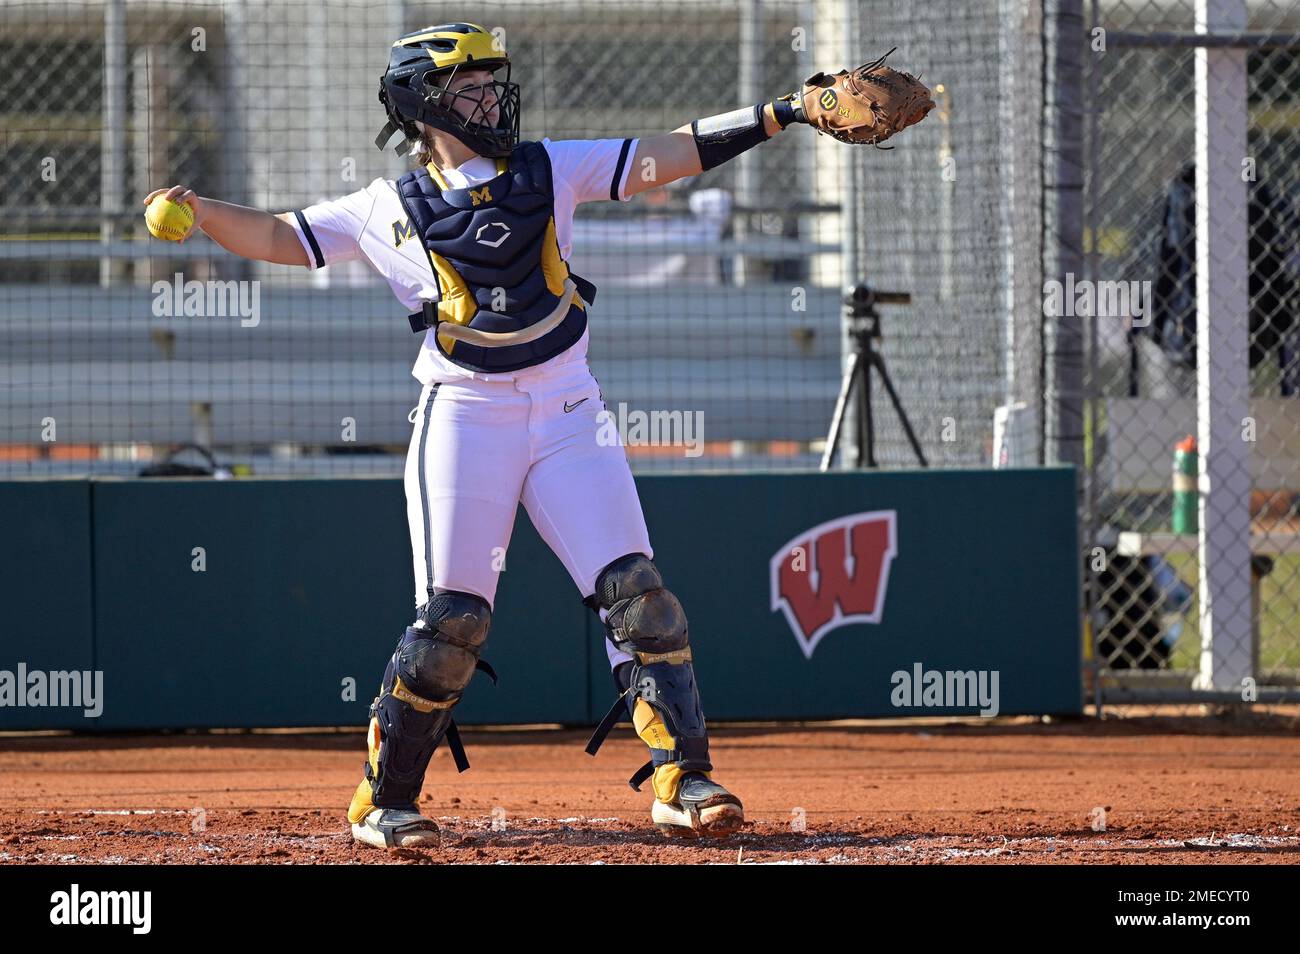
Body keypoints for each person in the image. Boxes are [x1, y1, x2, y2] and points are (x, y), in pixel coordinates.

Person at [143, 22, 835, 848]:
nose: (491, 98)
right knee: (452, 623)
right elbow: (278, 238)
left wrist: (783, 111)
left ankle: (681, 775)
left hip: (568, 407)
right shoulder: (384, 207)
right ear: (422, 104)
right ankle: (384, 798)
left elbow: (672, 152)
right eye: (469, 86)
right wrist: (198, 209)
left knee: (641, 597)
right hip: (465, 416)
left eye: (489, 81)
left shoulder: (550, 166)